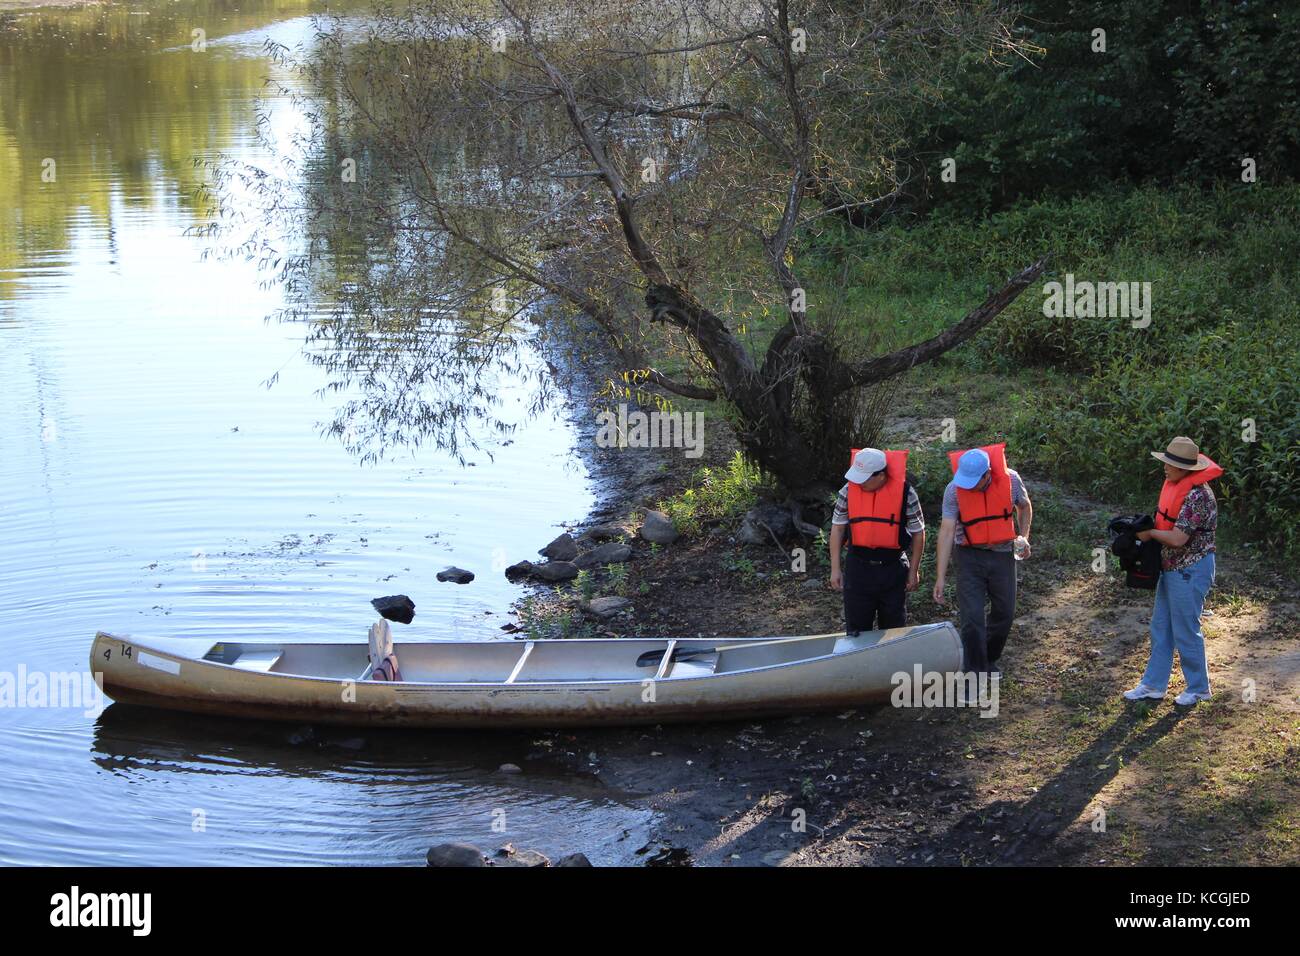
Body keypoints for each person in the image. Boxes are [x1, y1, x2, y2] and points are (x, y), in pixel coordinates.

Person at [1124, 436, 1222, 706]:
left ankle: (1199, 687)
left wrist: (1149, 534)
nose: (1165, 467)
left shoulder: (1198, 496)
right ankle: (1153, 684)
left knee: (1185, 629)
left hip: (1190, 570)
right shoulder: (1176, 485)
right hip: (1172, 568)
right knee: (1161, 627)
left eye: (1170, 464)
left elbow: (1179, 539)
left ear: (1185, 469)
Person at [932, 443, 1032, 675]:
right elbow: (946, 532)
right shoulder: (953, 490)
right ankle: (974, 669)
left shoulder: (1011, 481)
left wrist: (1023, 536)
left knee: (1005, 613)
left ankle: (989, 657)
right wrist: (940, 577)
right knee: (972, 617)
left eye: (973, 481)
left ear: (987, 474)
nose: (967, 485)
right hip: (968, 556)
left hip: (1002, 554)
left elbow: (1024, 506)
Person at [829, 447, 925, 634]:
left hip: (893, 568)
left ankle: (891, 662)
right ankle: (859, 663)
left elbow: (918, 533)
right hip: (858, 569)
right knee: (856, 629)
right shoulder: (848, 490)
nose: (858, 482)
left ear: (880, 476)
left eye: (863, 478)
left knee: (893, 629)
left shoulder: (906, 493)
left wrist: (914, 571)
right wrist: (835, 569)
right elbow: (837, 528)